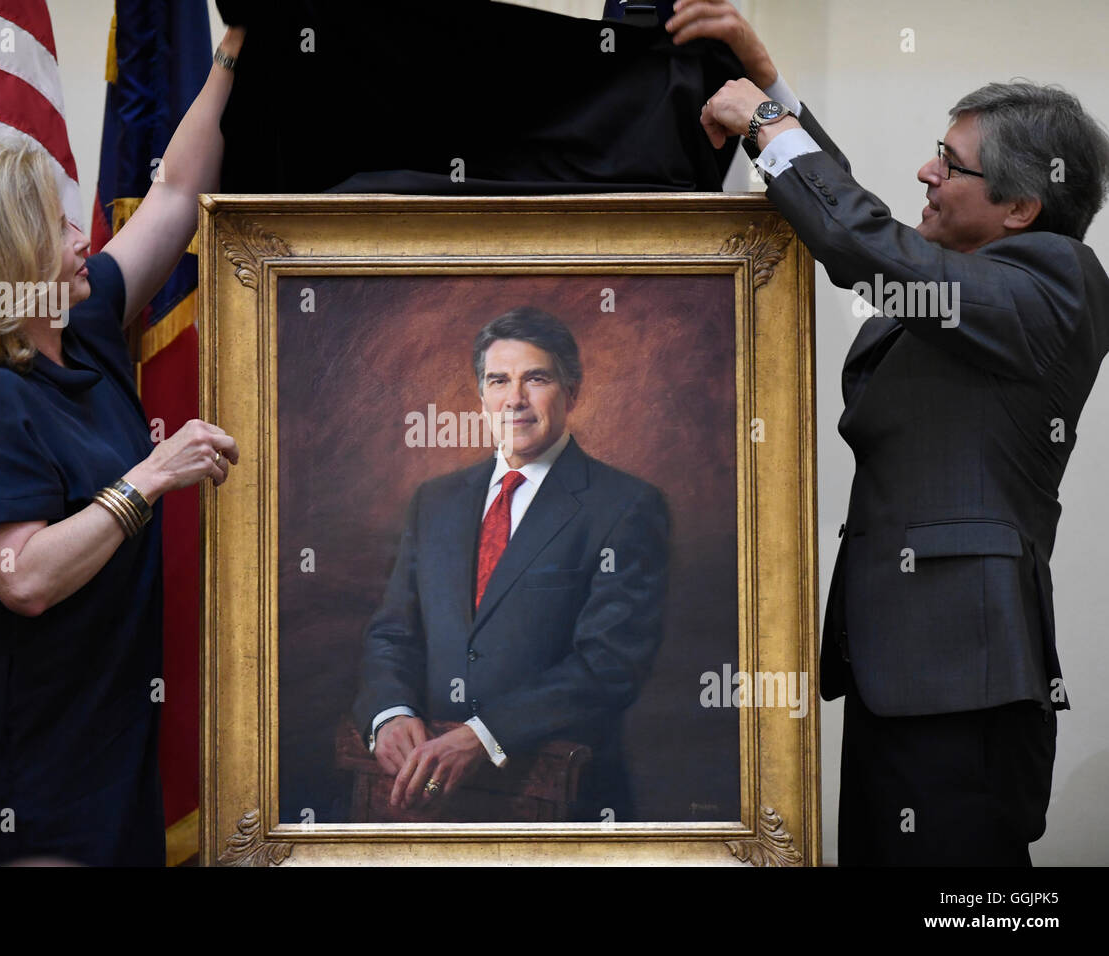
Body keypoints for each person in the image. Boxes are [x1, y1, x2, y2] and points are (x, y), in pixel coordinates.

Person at [672, 0, 1109, 864]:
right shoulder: (971, 286)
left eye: (948, 164)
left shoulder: (1057, 285)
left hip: (961, 679)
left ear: (1020, 207)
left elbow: (865, 245)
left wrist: (765, 123)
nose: (924, 173)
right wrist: (769, 79)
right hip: (898, 669)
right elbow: (857, 221)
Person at [0, 27, 247, 866]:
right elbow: (24, 578)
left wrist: (235, 46)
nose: (79, 231)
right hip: (27, 761)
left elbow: (174, 196)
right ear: (9, 260)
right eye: (55, 223)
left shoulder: (80, 328)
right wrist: (149, 478)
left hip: (103, 732)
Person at [351, 307, 670, 821]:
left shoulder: (627, 506)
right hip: (426, 794)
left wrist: (484, 736)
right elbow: (392, 635)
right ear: (481, 400)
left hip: (559, 797)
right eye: (499, 380)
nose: (514, 399)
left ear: (573, 392)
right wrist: (390, 714)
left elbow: (611, 665)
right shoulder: (435, 501)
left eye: (536, 378)